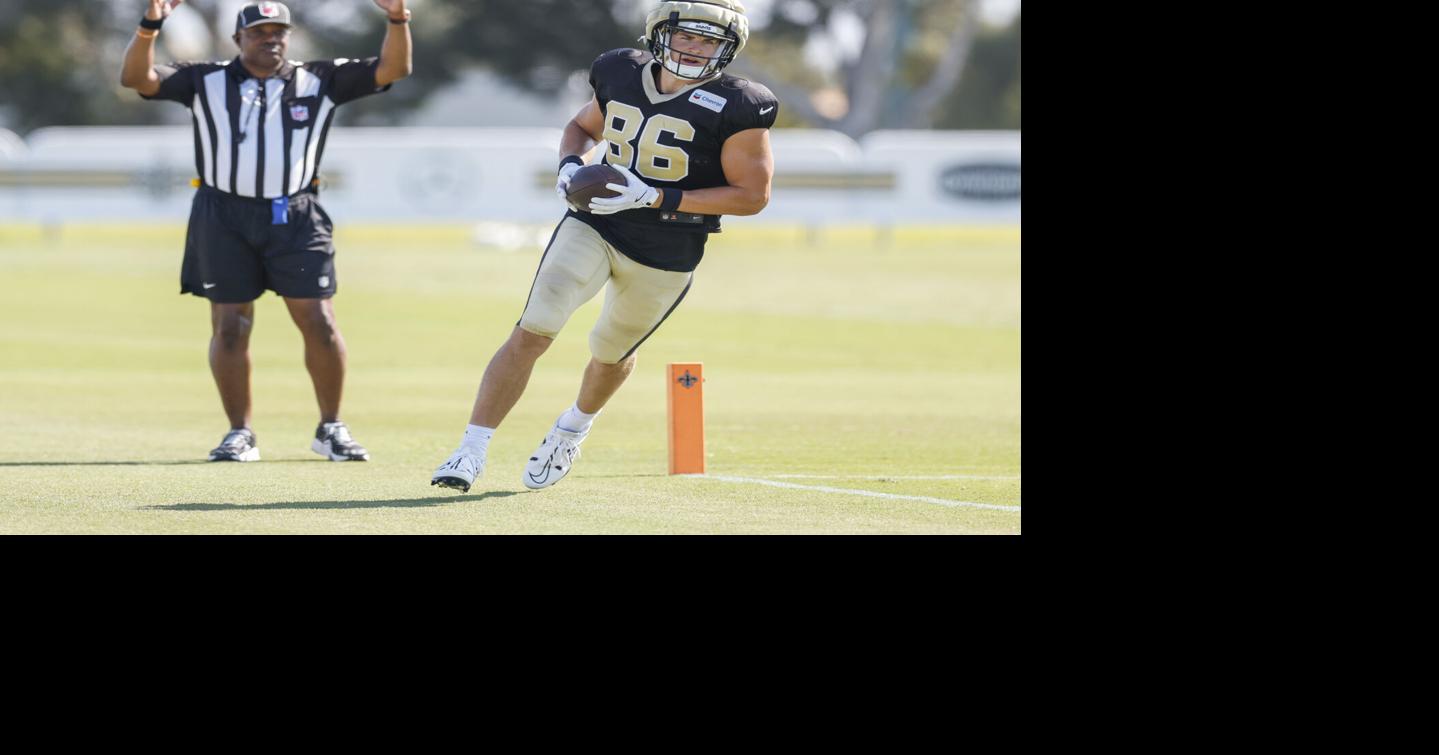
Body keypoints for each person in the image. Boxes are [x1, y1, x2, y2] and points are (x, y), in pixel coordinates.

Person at [432, 0, 777, 493]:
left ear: (727, 50)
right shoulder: (619, 69)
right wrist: (570, 164)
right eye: (686, 37)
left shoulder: (741, 102)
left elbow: (752, 196)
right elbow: (581, 128)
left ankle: (571, 429)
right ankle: (470, 449)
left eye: (707, 41)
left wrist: (657, 195)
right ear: (660, 34)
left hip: (668, 247)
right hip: (594, 224)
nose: (694, 49)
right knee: (535, 329)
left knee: (611, 352)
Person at [120, 0, 413, 462]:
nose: (270, 39)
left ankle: (331, 427)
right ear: (238, 40)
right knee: (231, 326)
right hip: (223, 215)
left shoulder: (319, 78)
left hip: (294, 215)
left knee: (319, 321)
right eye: (259, 32)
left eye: (279, 32)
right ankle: (240, 432)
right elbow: (138, 79)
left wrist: (398, 18)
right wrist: (149, 25)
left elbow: (394, 67)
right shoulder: (204, 79)